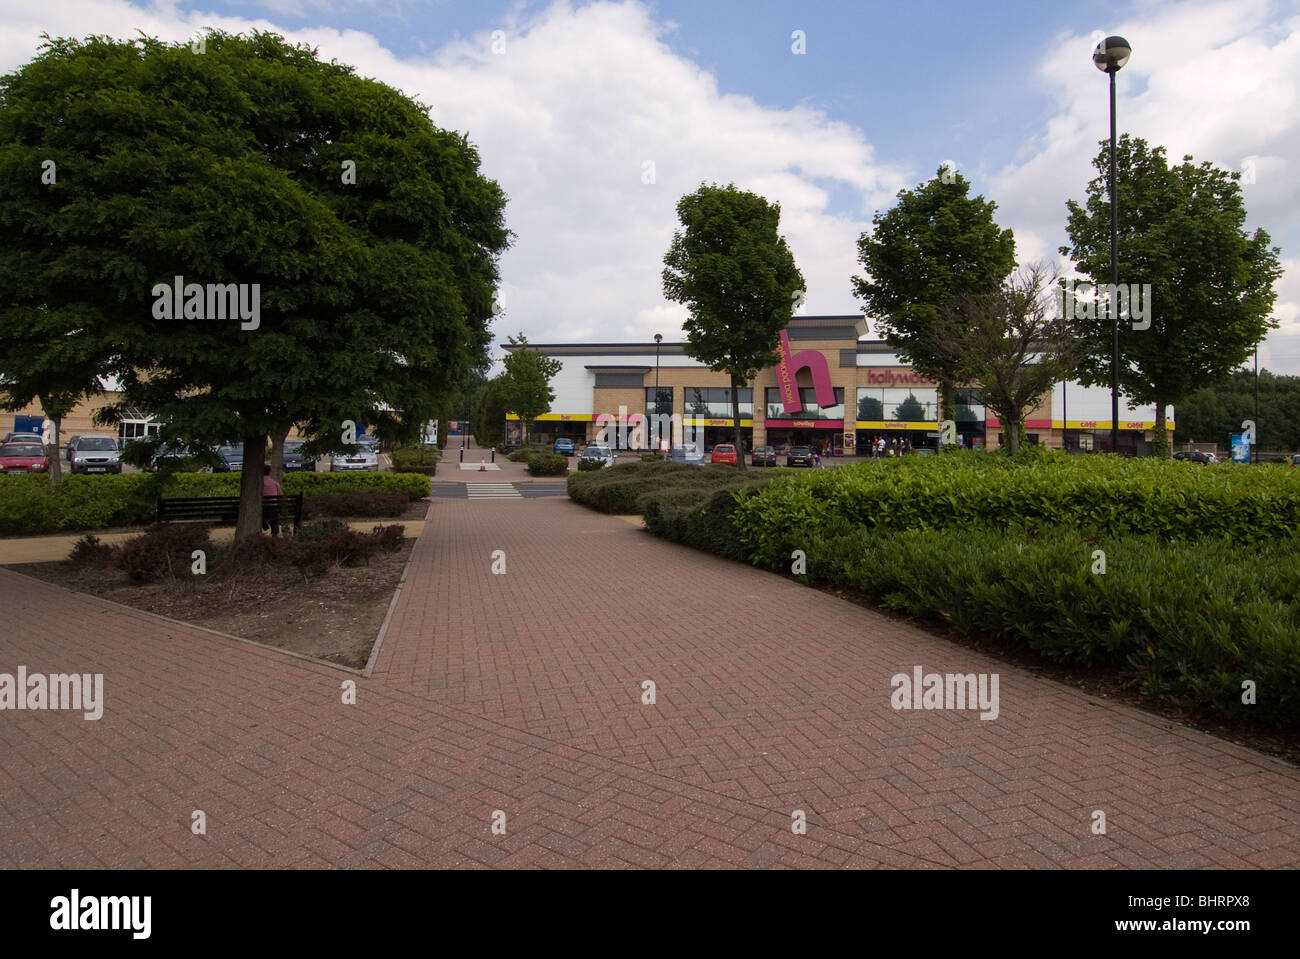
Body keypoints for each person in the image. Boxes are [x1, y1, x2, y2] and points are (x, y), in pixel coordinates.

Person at [262, 463, 283, 537]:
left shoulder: (258, 483)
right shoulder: (275, 483)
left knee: (258, 513)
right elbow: (280, 497)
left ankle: (265, 527)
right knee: (274, 519)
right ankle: (275, 534)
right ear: (269, 472)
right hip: (273, 510)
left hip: (262, 510)